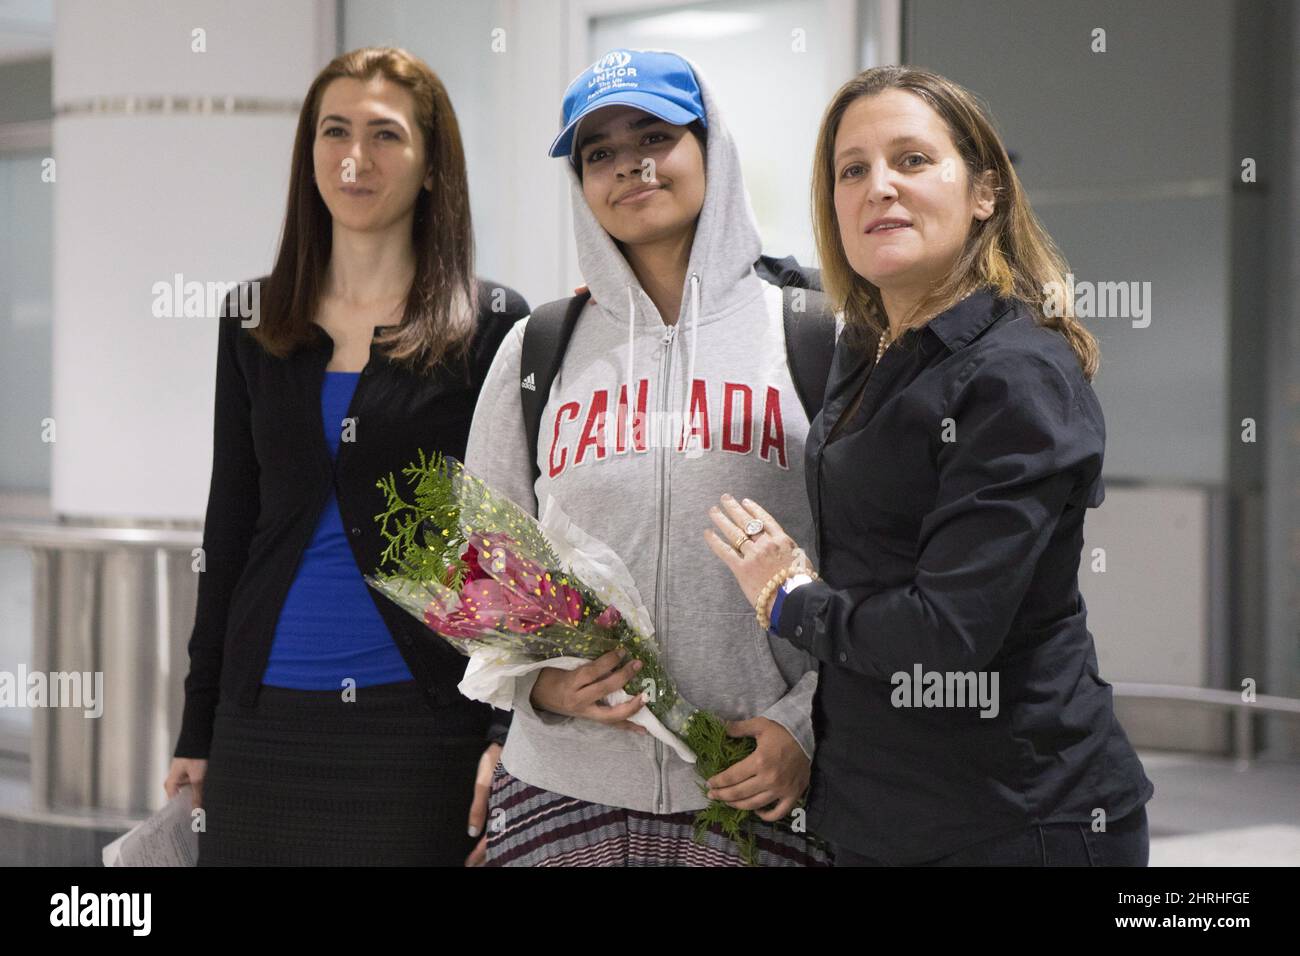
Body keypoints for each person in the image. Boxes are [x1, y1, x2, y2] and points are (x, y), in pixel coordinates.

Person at [707, 65, 1154, 866]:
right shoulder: (870, 346)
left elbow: (945, 634)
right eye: (853, 170)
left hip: (1015, 822)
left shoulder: (1014, 374)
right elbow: (782, 280)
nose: (880, 186)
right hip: (879, 811)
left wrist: (788, 599)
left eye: (912, 160)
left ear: (985, 193)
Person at [462, 49, 832, 866]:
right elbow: (481, 562)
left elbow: (877, 563)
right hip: (560, 791)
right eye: (599, 153)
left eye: (656, 135)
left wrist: (804, 725)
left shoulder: (812, 333)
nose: (630, 164)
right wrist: (538, 686)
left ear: (711, 148)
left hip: (751, 790)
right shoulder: (539, 348)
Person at [163, 46, 529, 865]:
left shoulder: (495, 325)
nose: (355, 157)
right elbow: (229, 531)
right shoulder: (254, 319)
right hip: (262, 718)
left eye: (386, 135)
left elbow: (507, 547)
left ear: (434, 166)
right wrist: (199, 723)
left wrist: (507, 733)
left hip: (422, 719)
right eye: (334, 131)